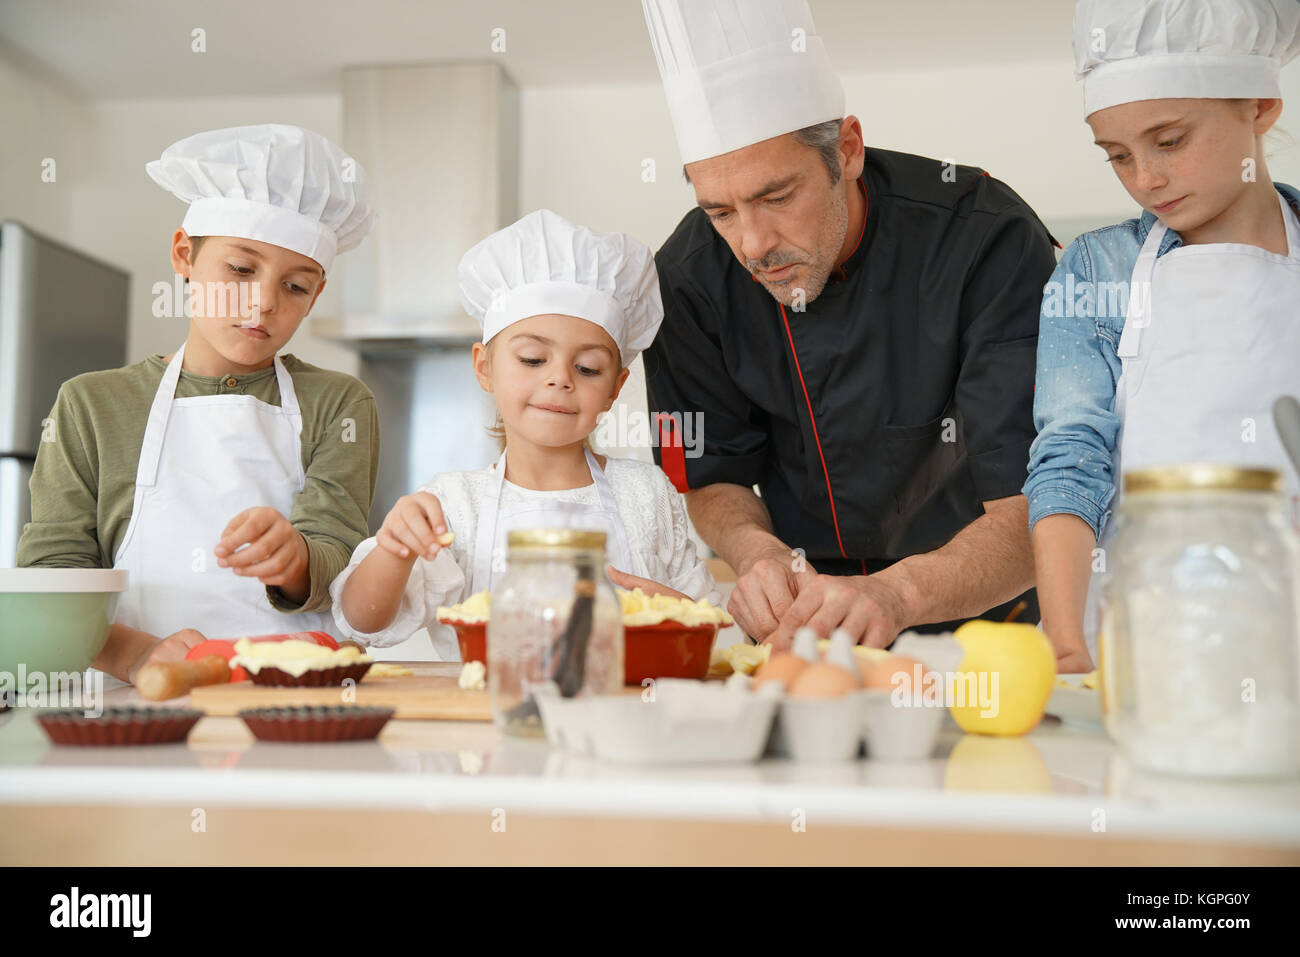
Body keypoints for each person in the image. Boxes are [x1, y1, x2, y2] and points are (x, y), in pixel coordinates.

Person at [640, 0, 1057, 649]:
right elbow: (706, 473)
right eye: (720, 211)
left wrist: (895, 594)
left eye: (776, 197)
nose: (752, 245)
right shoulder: (687, 281)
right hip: (799, 633)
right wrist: (755, 552)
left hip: (985, 633)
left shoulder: (987, 240)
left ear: (848, 150)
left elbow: (1038, 498)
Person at [17, 124, 380, 685]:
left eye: (296, 286)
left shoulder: (339, 403)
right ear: (184, 255)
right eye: (241, 269)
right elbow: (52, 573)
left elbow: (337, 550)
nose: (263, 302)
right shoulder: (92, 403)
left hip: (286, 701)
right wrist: (134, 655)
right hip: (132, 703)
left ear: (317, 295)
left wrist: (297, 559)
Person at [1026, 0, 1300, 672]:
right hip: (1138, 646)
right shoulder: (1096, 269)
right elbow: (1070, 455)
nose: (1145, 178)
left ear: (1260, 105)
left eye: (1170, 140)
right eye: (1117, 155)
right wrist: (1065, 640)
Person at [330, 210, 716, 657]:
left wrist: (676, 612)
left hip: (620, 715)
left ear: (615, 389)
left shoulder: (646, 494)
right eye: (533, 358)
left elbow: (705, 628)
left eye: (587, 367)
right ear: (484, 367)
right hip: (484, 720)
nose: (560, 379)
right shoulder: (454, 505)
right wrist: (394, 550)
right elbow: (364, 621)